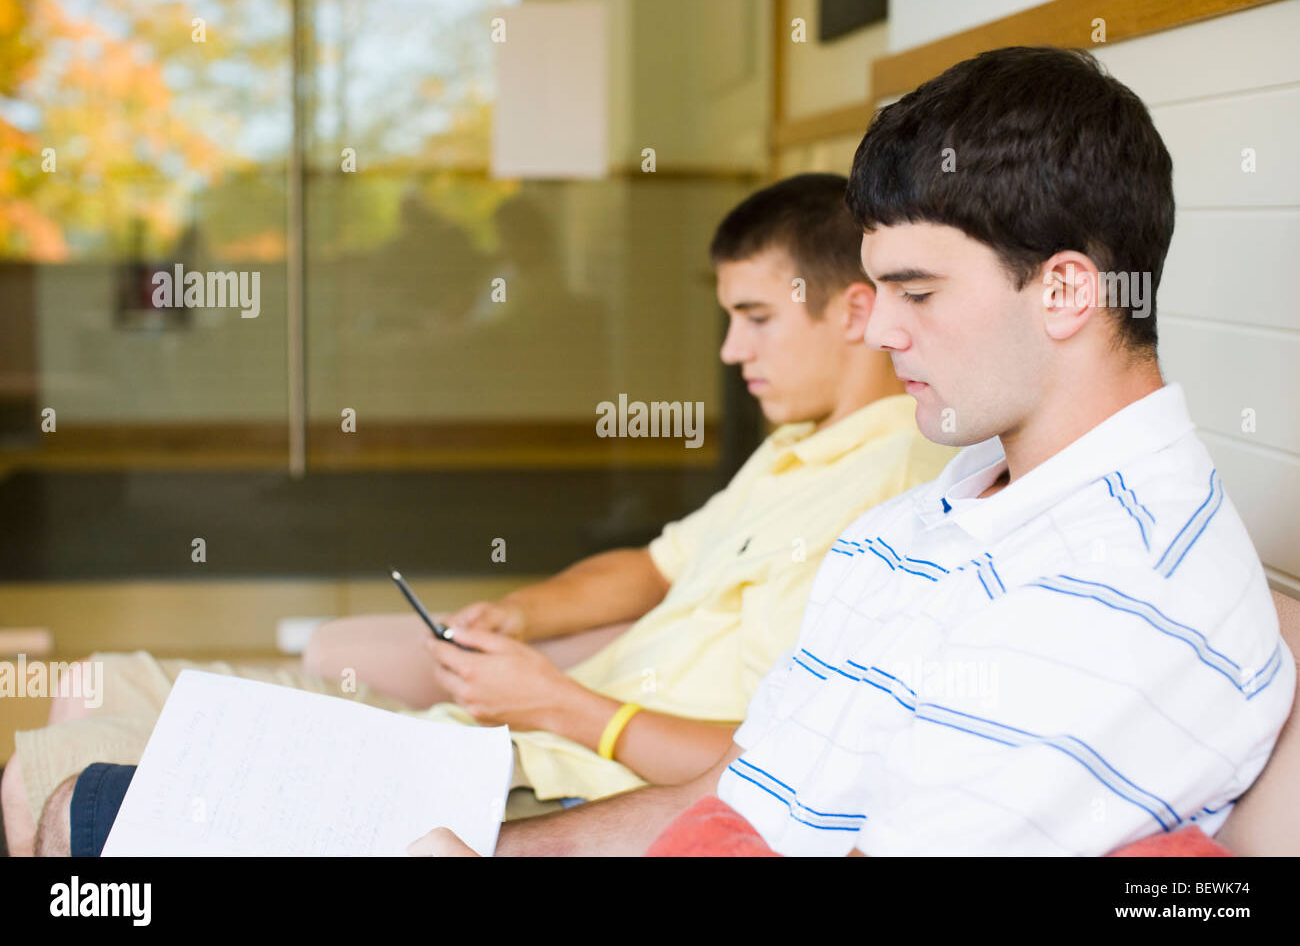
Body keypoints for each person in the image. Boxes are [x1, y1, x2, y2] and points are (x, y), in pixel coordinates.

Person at [397, 44, 1292, 856]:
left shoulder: (1123, 592)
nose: (884, 332)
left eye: (918, 292)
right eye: (877, 289)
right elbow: (740, 794)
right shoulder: (922, 520)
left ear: (1063, 291)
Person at [10, 173, 957, 856]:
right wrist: (521, 618)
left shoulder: (889, 489)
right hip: (508, 741)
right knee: (102, 682)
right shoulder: (793, 449)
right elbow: (653, 567)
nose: (728, 348)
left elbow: (768, 760)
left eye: (755, 316)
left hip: (543, 786)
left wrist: (557, 701)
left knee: (64, 781)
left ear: (852, 310)